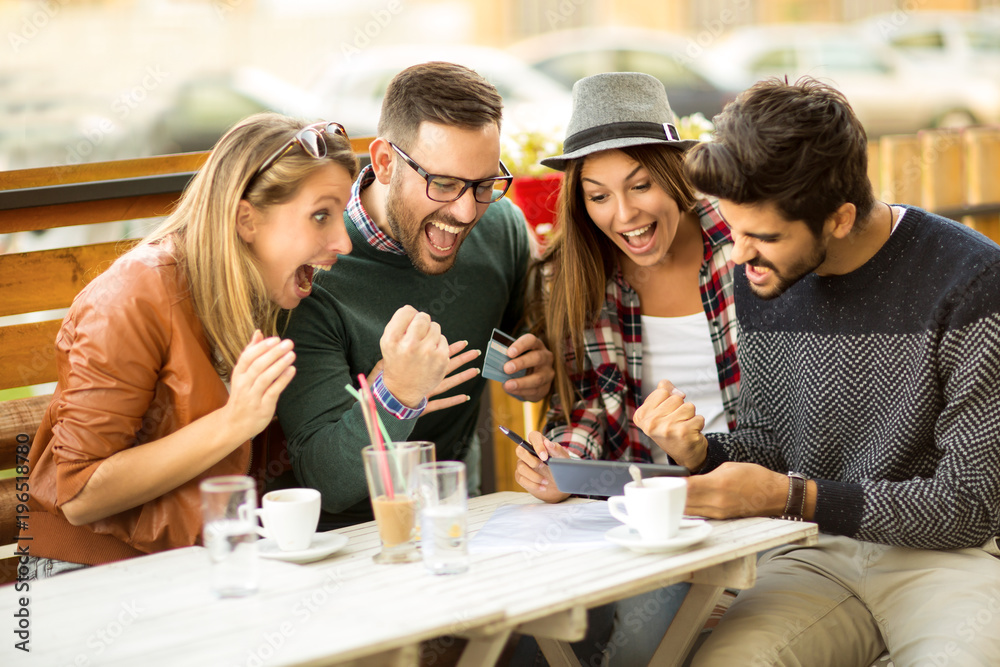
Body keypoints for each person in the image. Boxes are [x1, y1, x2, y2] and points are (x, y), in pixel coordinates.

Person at [636, 77, 1000, 665]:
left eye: (764, 236)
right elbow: (773, 446)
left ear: (838, 218)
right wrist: (701, 453)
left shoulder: (972, 283)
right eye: (733, 228)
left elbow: (970, 504)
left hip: (952, 561)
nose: (739, 252)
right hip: (814, 554)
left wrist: (794, 496)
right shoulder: (762, 276)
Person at [21, 113, 359, 577]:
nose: (343, 240)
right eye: (321, 215)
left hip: (202, 563)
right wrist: (234, 421)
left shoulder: (267, 294)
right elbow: (79, 495)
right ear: (246, 219)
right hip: (90, 571)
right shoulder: (133, 296)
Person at [511, 72, 739, 666]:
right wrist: (563, 462)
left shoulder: (742, 246)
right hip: (643, 511)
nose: (624, 214)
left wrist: (704, 453)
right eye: (599, 194)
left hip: (745, 495)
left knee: (642, 645)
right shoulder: (576, 273)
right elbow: (591, 403)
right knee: (528, 634)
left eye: (640, 185)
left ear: (675, 172)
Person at [275, 61, 554, 528]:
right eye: (442, 183)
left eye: (483, 185)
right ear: (384, 162)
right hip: (347, 543)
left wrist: (538, 364)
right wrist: (397, 395)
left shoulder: (500, 227)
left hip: (457, 518)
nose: (466, 211)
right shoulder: (313, 271)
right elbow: (326, 483)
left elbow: (528, 339)